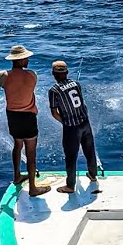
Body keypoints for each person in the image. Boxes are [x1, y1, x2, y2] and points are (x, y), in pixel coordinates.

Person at [0, 45, 49, 196]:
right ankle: (33, 188)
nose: (27, 60)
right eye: (25, 58)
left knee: (17, 145)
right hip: (28, 116)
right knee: (31, 151)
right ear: (20, 60)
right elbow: (20, 84)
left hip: (13, 116)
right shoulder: (33, 75)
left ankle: (17, 176)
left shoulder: (4, 76)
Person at [47, 60, 99, 195]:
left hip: (71, 128)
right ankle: (93, 174)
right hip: (85, 123)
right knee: (90, 151)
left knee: (71, 156)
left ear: (53, 74)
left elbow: (54, 112)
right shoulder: (76, 84)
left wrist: (65, 121)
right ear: (67, 72)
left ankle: (70, 185)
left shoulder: (54, 90)